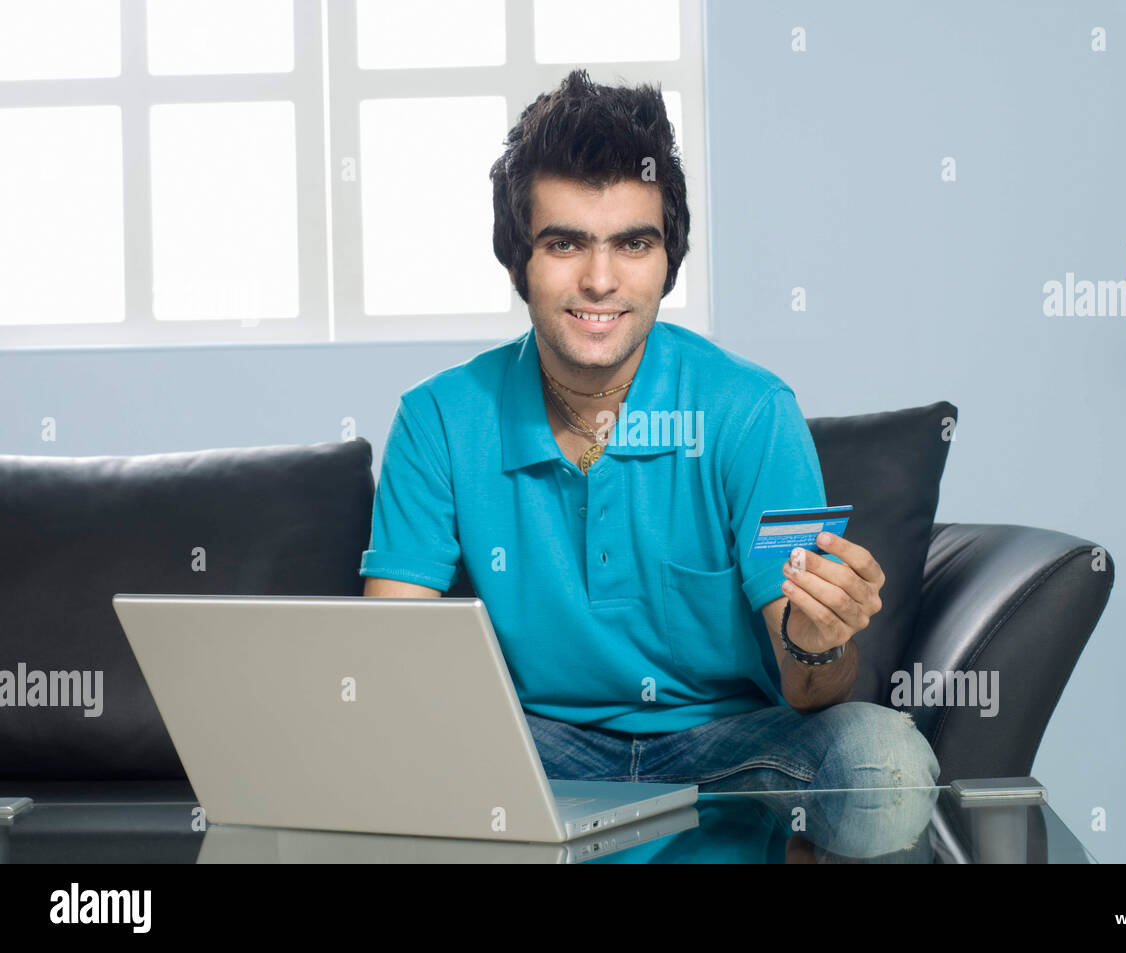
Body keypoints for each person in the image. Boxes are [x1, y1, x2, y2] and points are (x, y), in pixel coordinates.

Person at [359, 70, 940, 833]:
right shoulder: (438, 417)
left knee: (882, 762)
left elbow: (812, 691)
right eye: (564, 243)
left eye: (632, 243)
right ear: (517, 261)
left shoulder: (752, 412)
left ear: (669, 258)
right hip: (528, 747)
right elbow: (393, 666)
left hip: (728, 748)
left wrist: (816, 644)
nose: (600, 280)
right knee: (372, 757)